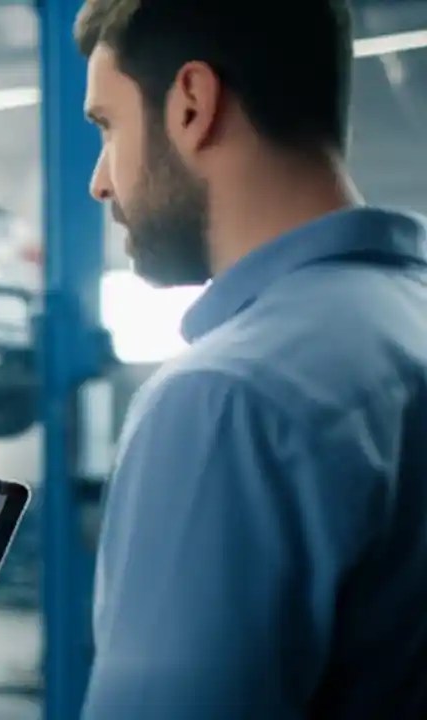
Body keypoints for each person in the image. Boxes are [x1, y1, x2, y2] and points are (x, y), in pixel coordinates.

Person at [74, 0, 427, 717]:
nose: (100, 181)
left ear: (192, 104)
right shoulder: (407, 317)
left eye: (108, 126)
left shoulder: (225, 400)